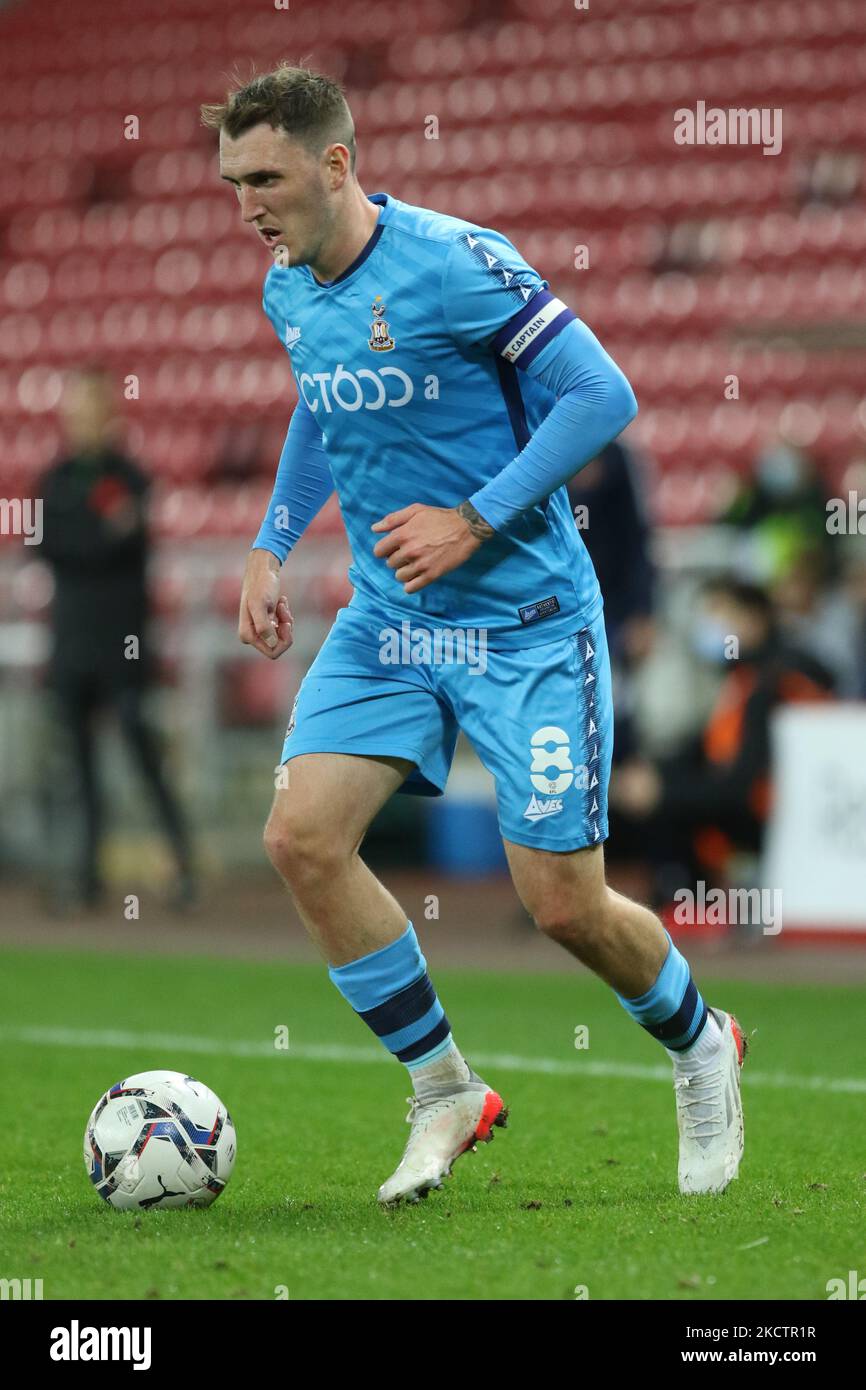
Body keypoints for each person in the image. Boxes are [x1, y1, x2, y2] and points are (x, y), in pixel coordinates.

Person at [202, 63, 747, 1205]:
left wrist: (470, 518)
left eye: (264, 176)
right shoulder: (287, 286)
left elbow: (600, 395)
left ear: (335, 163)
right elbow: (319, 398)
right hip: (391, 620)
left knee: (563, 906)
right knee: (302, 838)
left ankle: (699, 1043)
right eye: (231, 180)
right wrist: (269, 542)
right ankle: (443, 1085)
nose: (246, 203)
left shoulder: (454, 263)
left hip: (527, 621)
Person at [38, 366, 197, 909]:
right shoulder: (54, 479)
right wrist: (97, 536)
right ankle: (84, 879)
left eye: (90, 412)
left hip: (124, 645)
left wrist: (84, 538)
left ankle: (183, 867)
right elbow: (54, 544)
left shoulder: (131, 477)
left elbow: (88, 544)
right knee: (76, 769)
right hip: (71, 644)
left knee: (141, 752)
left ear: (110, 416)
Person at [612, 577, 835, 900]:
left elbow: (740, 788)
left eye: (719, 613)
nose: (710, 626)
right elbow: (704, 748)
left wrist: (664, 792)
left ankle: (686, 899)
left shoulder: (775, 682)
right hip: (743, 806)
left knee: (662, 805)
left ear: (753, 619)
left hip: (774, 824)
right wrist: (652, 774)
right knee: (638, 787)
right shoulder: (741, 677)